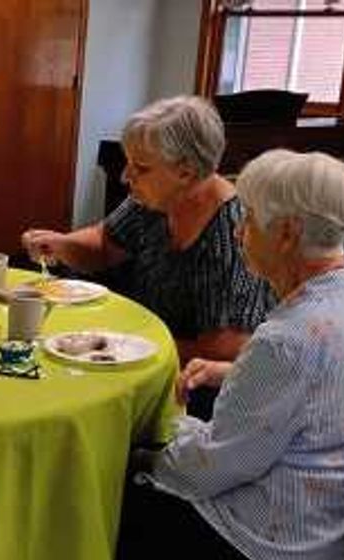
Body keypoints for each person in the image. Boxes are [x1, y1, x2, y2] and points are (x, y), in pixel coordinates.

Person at [90, 150, 344, 560]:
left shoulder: (287, 339)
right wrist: (233, 371)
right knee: (140, 476)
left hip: (288, 537)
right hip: (339, 515)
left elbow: (209, 469)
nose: (239, 232)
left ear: (288, 233)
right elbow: (319, 387)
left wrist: (143, 437)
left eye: (250, 218)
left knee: (110, 491)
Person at [22, 96, 276, 365]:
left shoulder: (232, 233)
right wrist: (61, 244)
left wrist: (127, 342)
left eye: (140, 168)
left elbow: (225, 350)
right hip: (143, 349)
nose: (124, 177)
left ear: (186, 173)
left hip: (193, 383)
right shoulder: (155, 200)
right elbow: (106, 244)